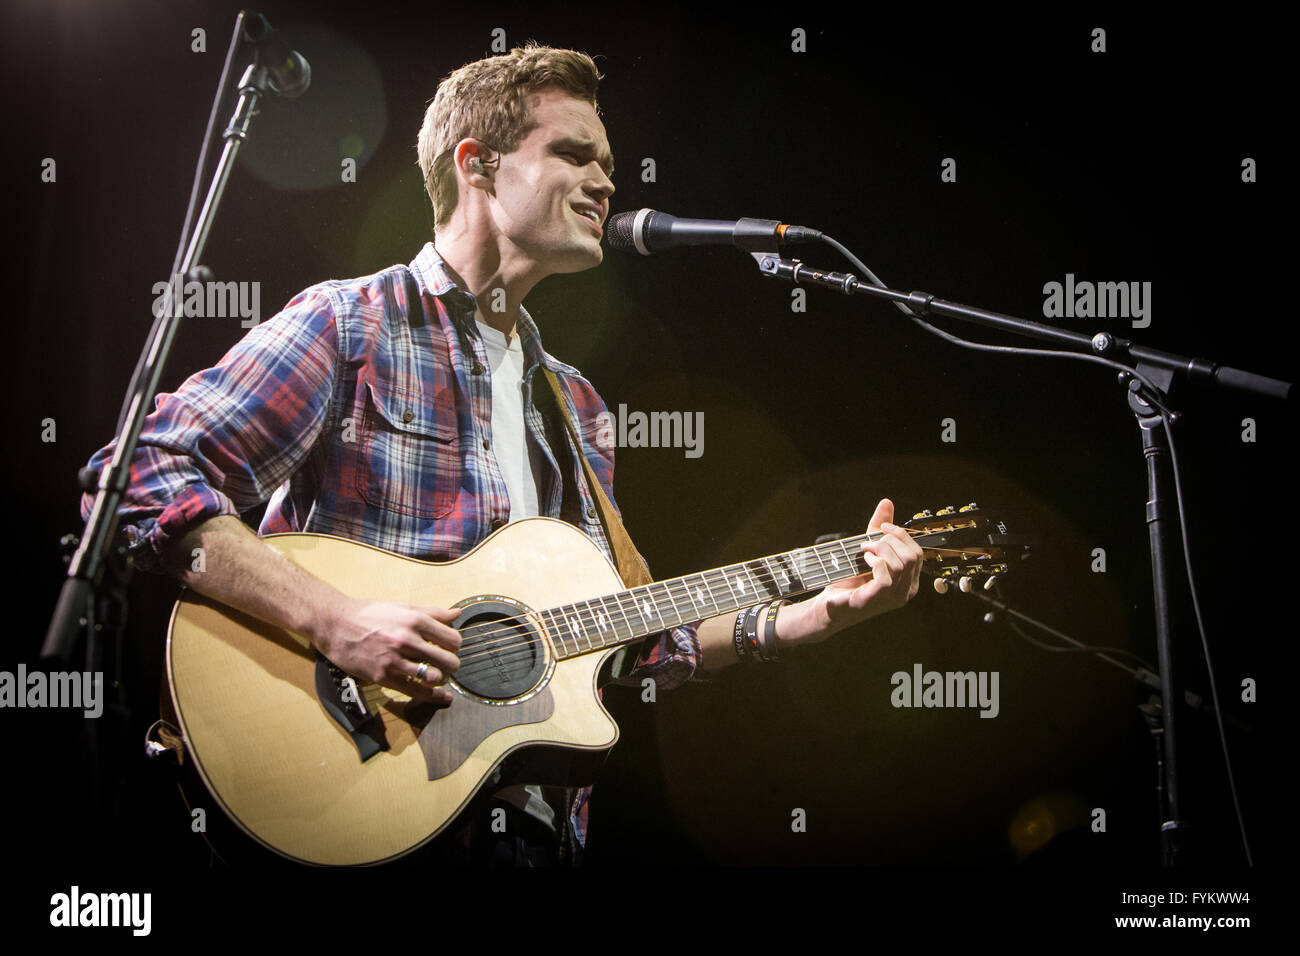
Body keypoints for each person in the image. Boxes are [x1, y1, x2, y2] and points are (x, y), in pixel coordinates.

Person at [80, 43, 924, 865]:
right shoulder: (353, 325)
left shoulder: (578, 405)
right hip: (357, 797)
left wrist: (813, 614)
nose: (606, 182)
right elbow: (137, 480)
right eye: (574, 154)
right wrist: (334, 621)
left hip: (529, 831)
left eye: (610, 165)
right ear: (477, 165)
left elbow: (632, 637)